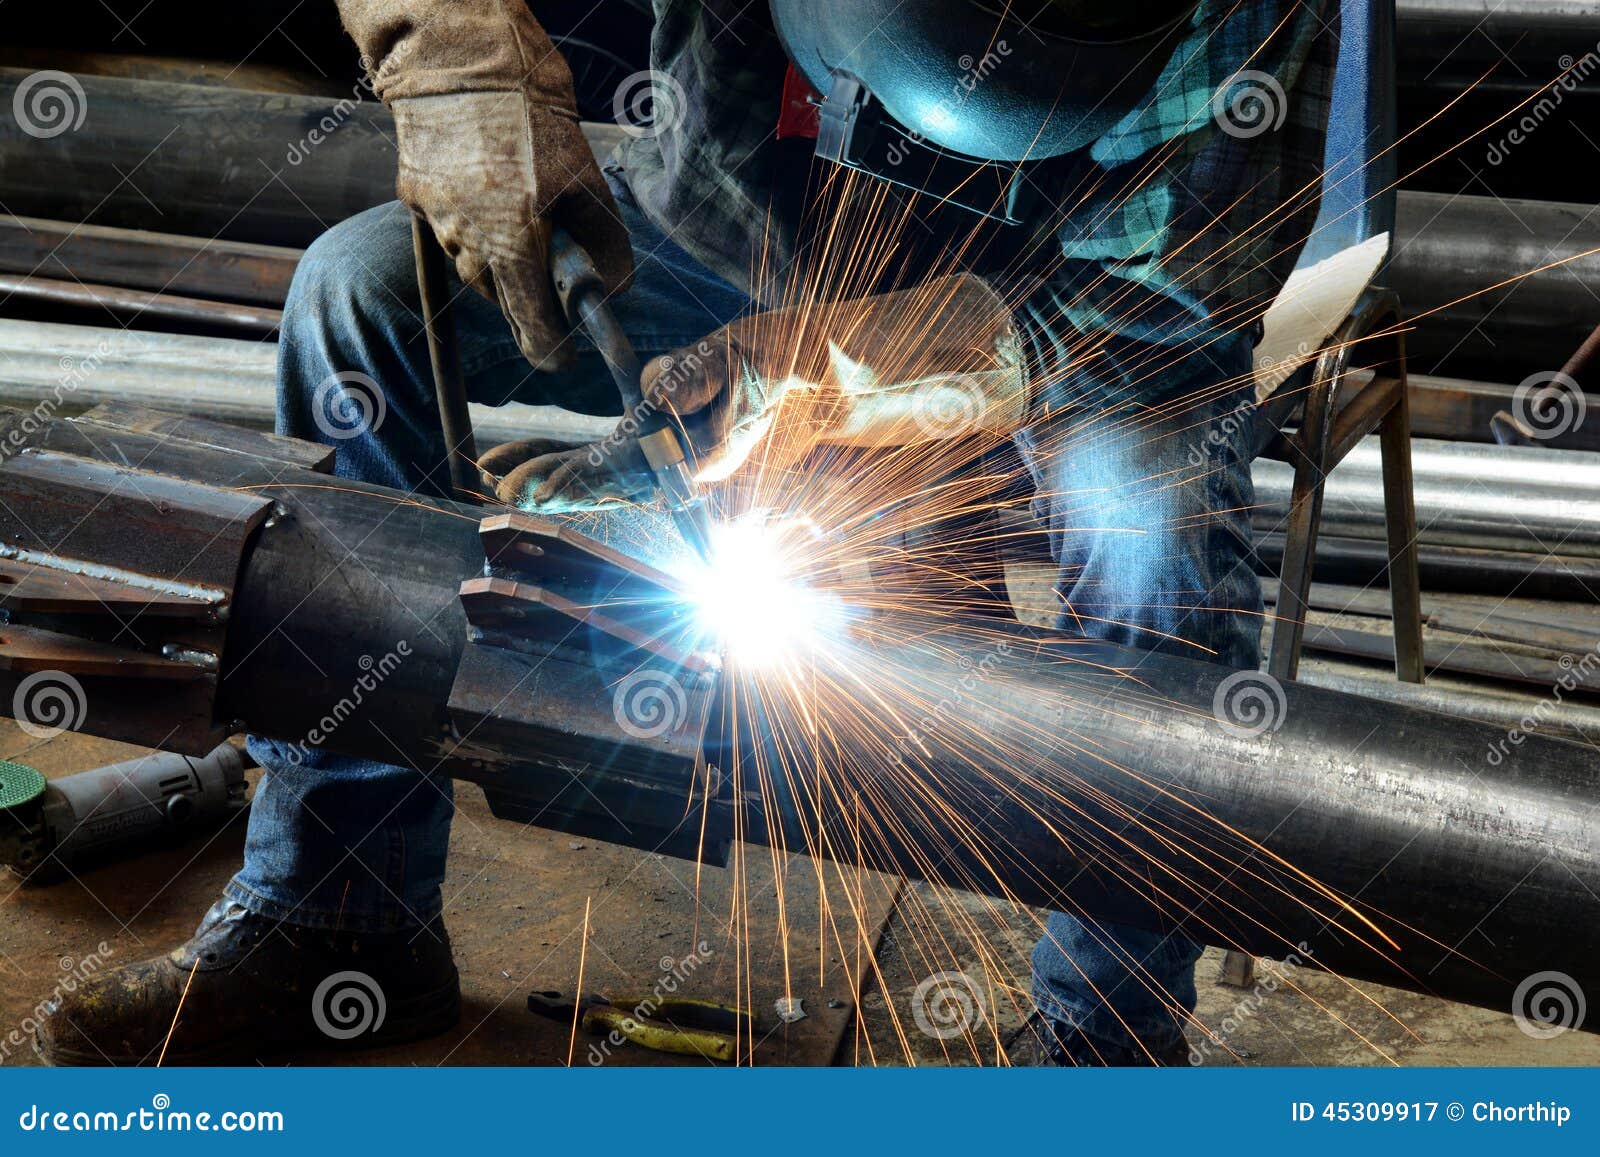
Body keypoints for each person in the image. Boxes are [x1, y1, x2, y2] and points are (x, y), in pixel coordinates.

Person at [36, 0, 1333, 1066]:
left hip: (1078, 303)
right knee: (363, 292)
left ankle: (1106, 1043)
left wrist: (830, 373)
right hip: (751, 233)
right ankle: (342, 913)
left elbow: (1167, 298)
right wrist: (455, 58)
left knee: (1155, 509)